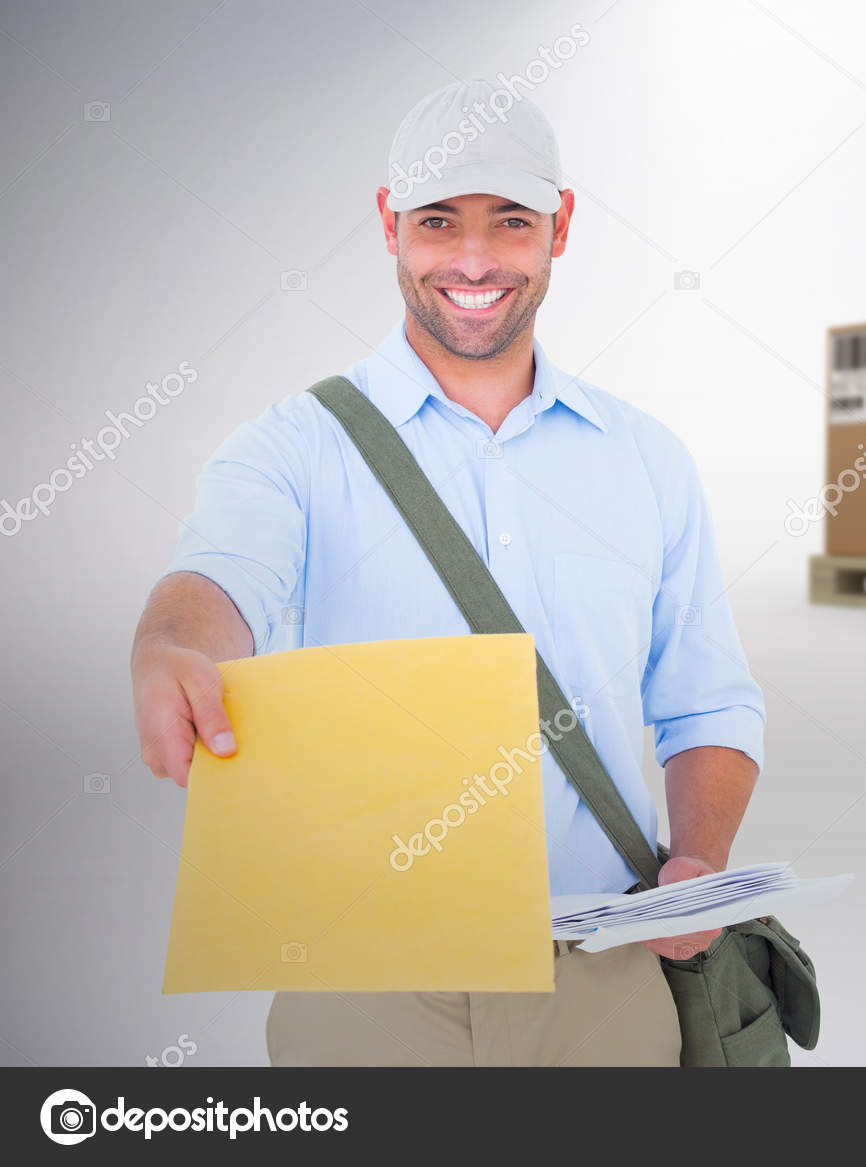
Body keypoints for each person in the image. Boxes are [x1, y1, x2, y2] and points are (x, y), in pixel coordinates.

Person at [129, 78, 766, 1067]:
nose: (473, 259)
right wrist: (172, 643)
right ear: (390, 225)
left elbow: (709, 705)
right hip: (364, 979)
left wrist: (700, 862)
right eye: (438, 221)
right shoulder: (294, 448)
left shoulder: (647, 460)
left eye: (510, 222)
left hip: (598, 971)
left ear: (561, 229)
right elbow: (219, 580)